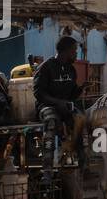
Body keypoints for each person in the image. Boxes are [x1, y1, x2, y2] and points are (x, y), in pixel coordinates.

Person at [33, 35, 85, 168]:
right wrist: (58, 102)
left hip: (65, 108)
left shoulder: (71, 70)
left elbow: (72, 95)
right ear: (66, 51)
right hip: (46, 107)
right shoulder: (45, 67)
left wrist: (81, 89)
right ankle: (47, 168)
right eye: (74, 50)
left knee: (80, 120)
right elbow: (39, 94)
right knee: (51, 121)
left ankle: (82, 162)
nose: (76, 53)